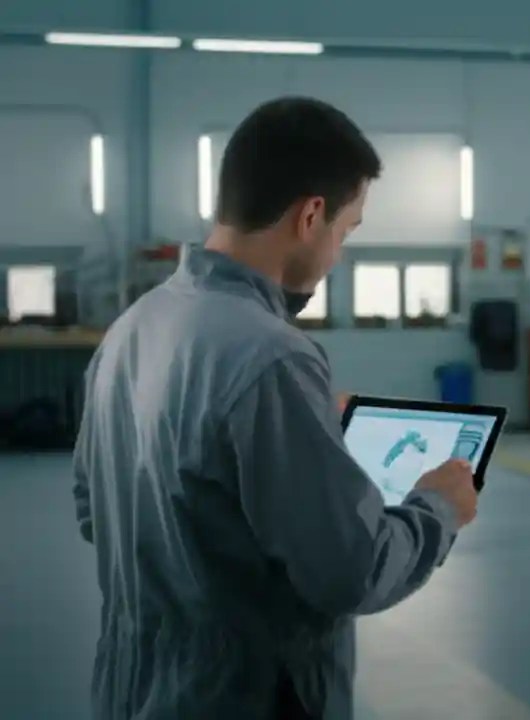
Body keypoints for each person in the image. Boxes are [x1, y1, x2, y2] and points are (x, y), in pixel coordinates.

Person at [71, 96, 479, 720]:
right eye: (347, 231)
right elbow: (350, 571)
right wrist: (439, 507)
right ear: (311, 215)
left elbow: (94, 511)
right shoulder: (273, 357)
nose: (339, 253)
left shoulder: (133, 328)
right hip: (241, 697)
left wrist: (297, 437)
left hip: (134, 690)